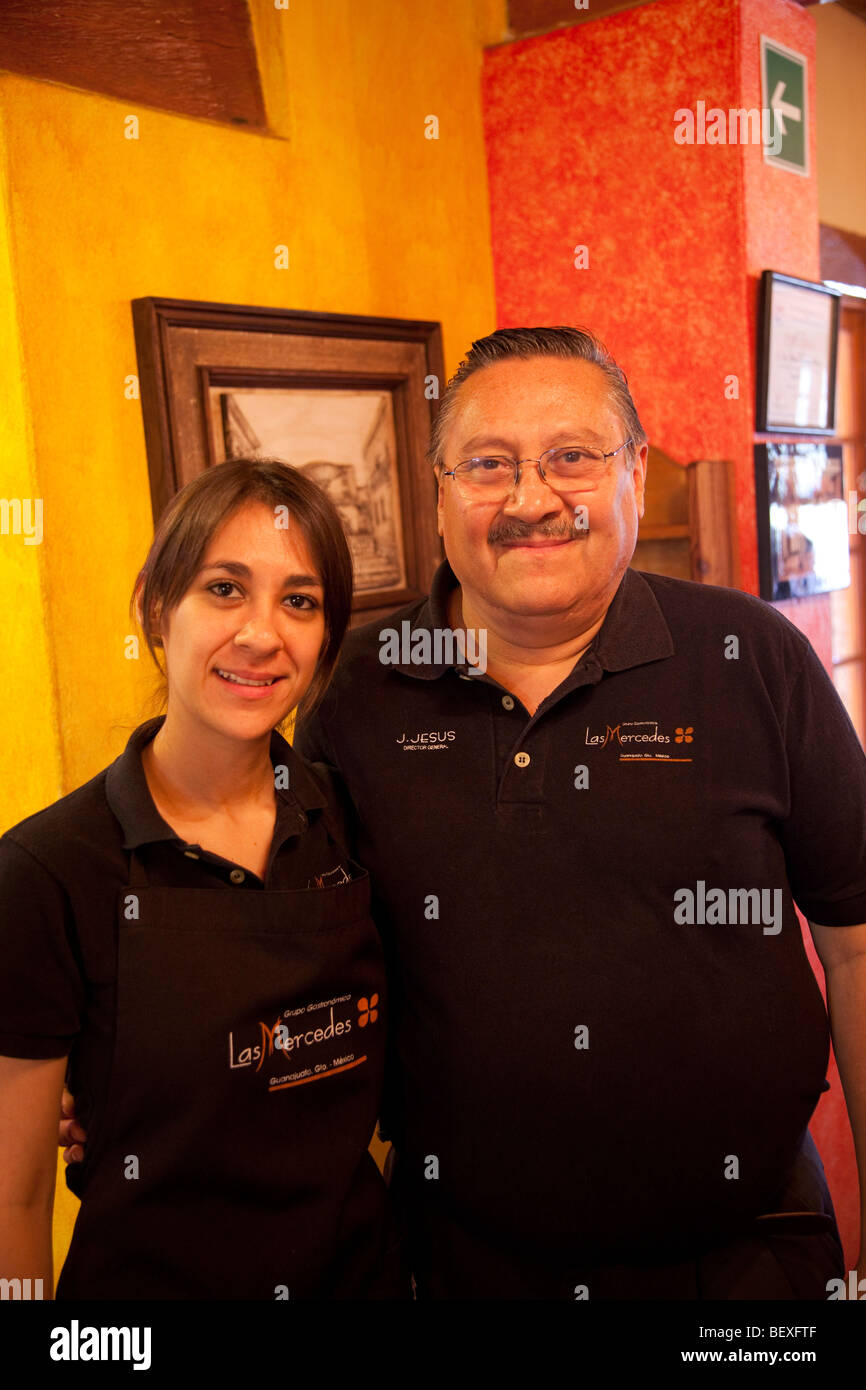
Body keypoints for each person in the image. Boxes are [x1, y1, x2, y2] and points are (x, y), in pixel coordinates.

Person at [291, 327, 866, 1299]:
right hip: (464, 1262)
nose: (529, 499)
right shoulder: (359, 691)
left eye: (571, 456)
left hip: (741, 1258)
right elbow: (290, 948)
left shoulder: (752, 659)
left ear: (634, 471)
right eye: (487, 464)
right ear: (436, 486)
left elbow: (855, 946)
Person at [0, 459, 407, 1299]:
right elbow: (15, 1197)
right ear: (157, 605)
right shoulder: (46, 871)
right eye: (225, 589)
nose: (262, 633)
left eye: (300, 601)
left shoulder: (355, 818)